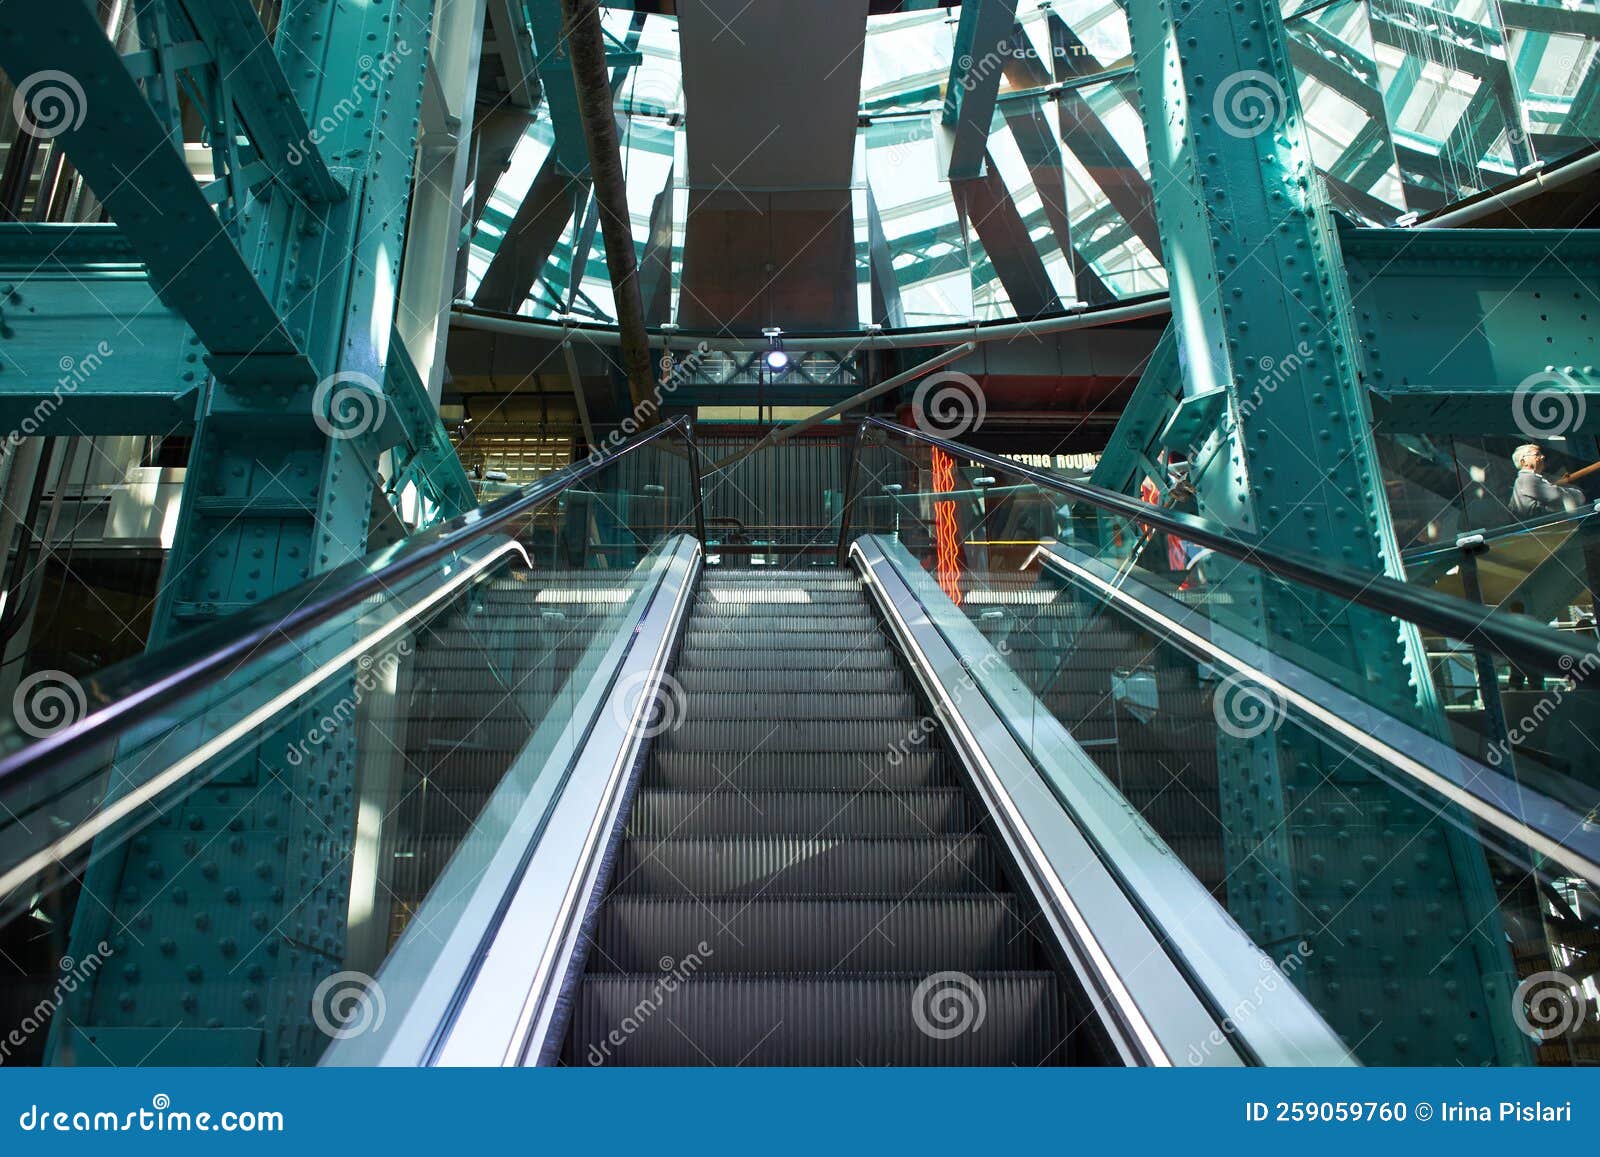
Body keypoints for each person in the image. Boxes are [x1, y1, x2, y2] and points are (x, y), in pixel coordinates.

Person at [1509, 444, 1584, 518]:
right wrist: (1578, 494)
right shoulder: (1527, 479)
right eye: (1537, 454)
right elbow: (1555, 495)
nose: (1543, 456)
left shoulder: (1526, 479)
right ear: (1523, 462)